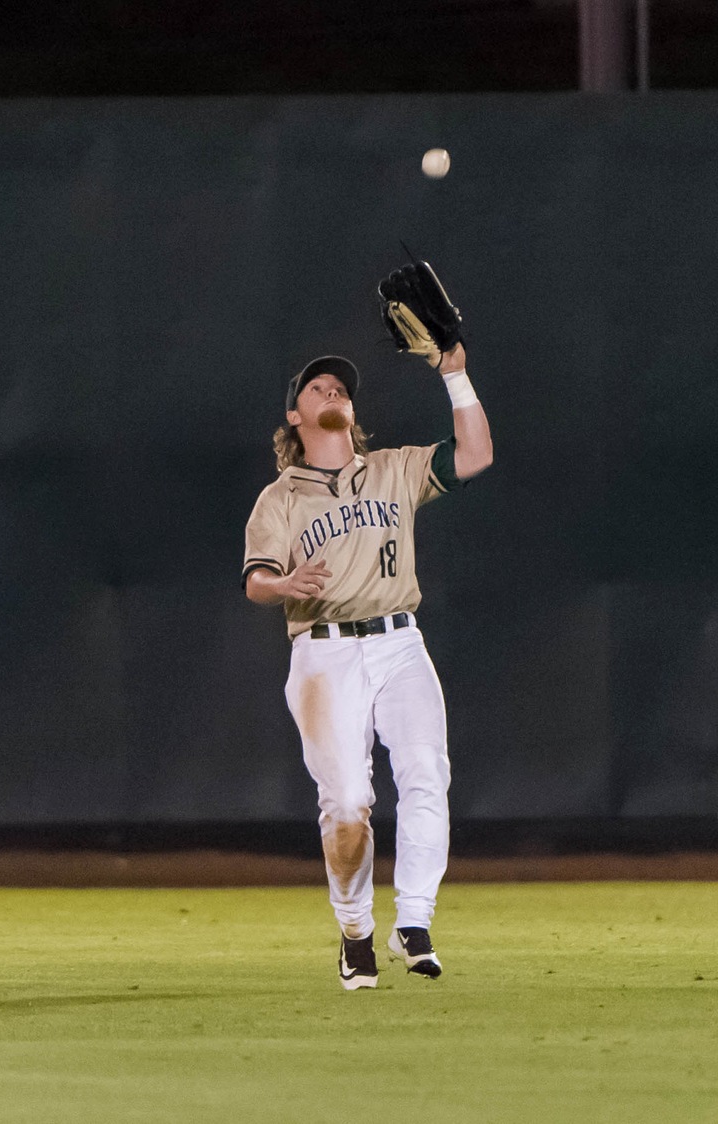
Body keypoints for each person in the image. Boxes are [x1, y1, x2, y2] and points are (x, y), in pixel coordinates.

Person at [242, 344, 492, 989]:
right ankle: (355, 930)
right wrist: (283, 584)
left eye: (340, 387)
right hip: (324, 652)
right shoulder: (280, 498)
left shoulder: (392, 469)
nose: (333, 390)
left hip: (399, 641)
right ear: (293, 417)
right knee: (348, 803)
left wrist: (456, 375)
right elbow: (256, 580)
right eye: (317, 387)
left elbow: (475, 455)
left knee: (426, 775)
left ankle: (414, 920)